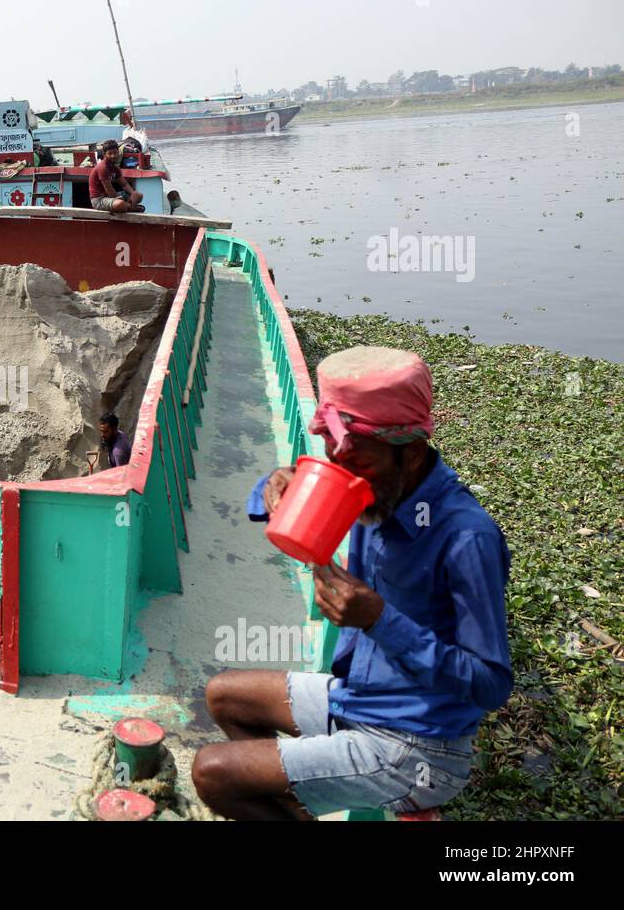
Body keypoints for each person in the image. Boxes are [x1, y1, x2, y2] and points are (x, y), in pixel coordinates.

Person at [191, 346, 512, 820]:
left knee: (212, 771)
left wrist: (381, 620)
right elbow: (269, 501)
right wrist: (276, 484)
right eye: (336, 462)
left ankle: (293, 798)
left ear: (414, 453)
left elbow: (490, 685)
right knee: (225, 695)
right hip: (359, 696)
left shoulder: (466, 537)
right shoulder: (377, 486)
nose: (344, 480)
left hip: (418, 745)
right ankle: (292, 804)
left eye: (357, 467)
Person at [89, 139, 144, 214]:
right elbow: (109, 190)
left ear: (118, 152)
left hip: (109, 197)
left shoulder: (115, 168)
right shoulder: (103, 168)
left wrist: (133, 193)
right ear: (105, 154)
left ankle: (128, 206)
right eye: (110, 153)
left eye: (115, 153)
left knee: (139, 195)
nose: (113, 156)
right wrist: (117, 198)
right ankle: (130, 207)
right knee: (119, 203)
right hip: (99, 200)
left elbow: (124, 184)